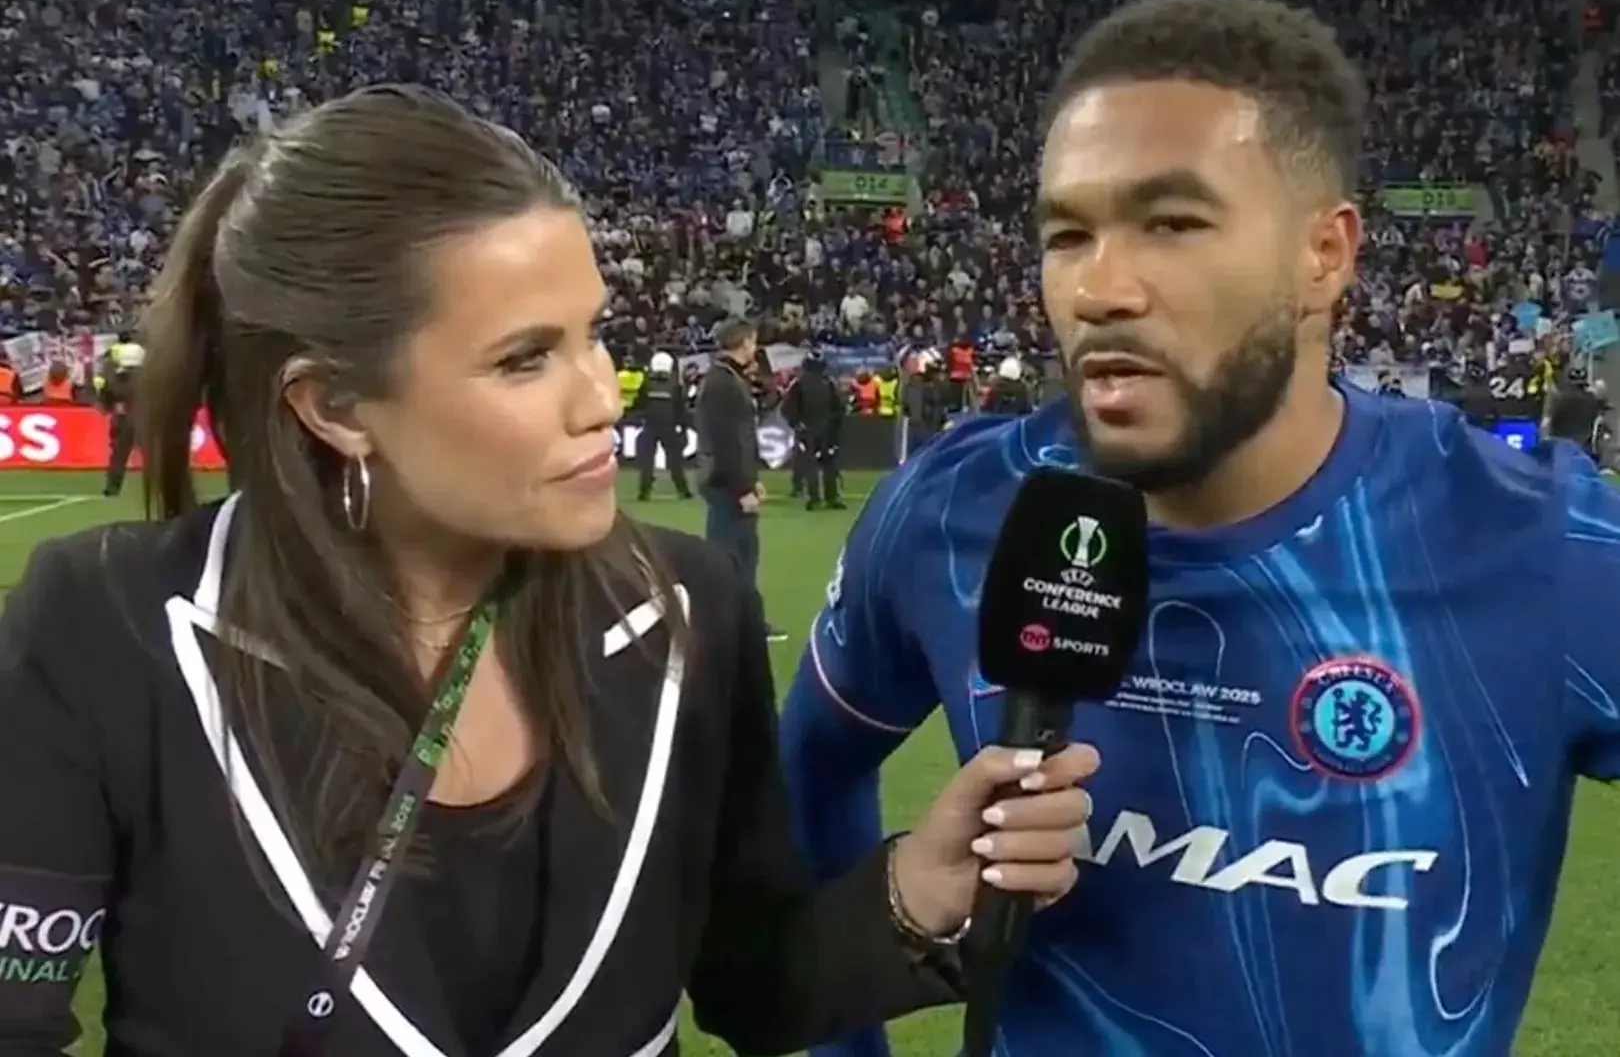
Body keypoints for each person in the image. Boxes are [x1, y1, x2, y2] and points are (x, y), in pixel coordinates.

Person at [0, 85, 1098, 1057]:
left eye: (592, 336)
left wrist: (917, 890)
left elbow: (756, 986)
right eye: (526, 358)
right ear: (335, 404)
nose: (600, 398)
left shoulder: (687, 612)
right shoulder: (105, 625)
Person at [779, 0, 1620, 1057]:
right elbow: (802, 787)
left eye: (1171, 223)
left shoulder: (1540, 546)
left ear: (1326, 255)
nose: (1100, 288)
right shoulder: (955, 511)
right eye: (1067, 234)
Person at [696, 319, 788, 640]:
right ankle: (733, 626)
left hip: (726, 482)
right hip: (726, 486)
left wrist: (752, 480)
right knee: (734, 557)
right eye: (753, 341)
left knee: (738, 556)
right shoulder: (723, 384)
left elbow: (738, 441)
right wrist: (741, 489)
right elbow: (727, 443)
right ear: (745, 342)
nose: (755, 347)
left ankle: (738, 623)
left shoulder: (725, 379)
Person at [782, 349, 847, 511]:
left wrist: (797, 424)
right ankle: (830, 497)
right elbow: (839, 407)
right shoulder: (828, 383)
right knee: (828, 463)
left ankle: (816, 498)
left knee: (812, 464)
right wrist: (835, 425)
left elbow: (788, 408)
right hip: (823, 430)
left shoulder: (800, 383)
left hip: (810, 430)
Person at [631, 350, 693, 501]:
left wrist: (639, 416)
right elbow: (680, 408)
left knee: (647, 461)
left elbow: (639, 403)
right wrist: (683, 426)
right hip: (669, 427)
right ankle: (683, 491)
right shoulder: (674, 385)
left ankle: (644, 492)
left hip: (650, 425)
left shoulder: (647, 382)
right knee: (675, 460)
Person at [100, 334, 145, 497]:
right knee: (153, 455)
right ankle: (161, 486)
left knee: (118, 455)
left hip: (123, 417)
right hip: (143, 417)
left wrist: (109, 406)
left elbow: (107, 393)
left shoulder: (116, 378)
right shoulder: (147, 377)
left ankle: (112, 488)